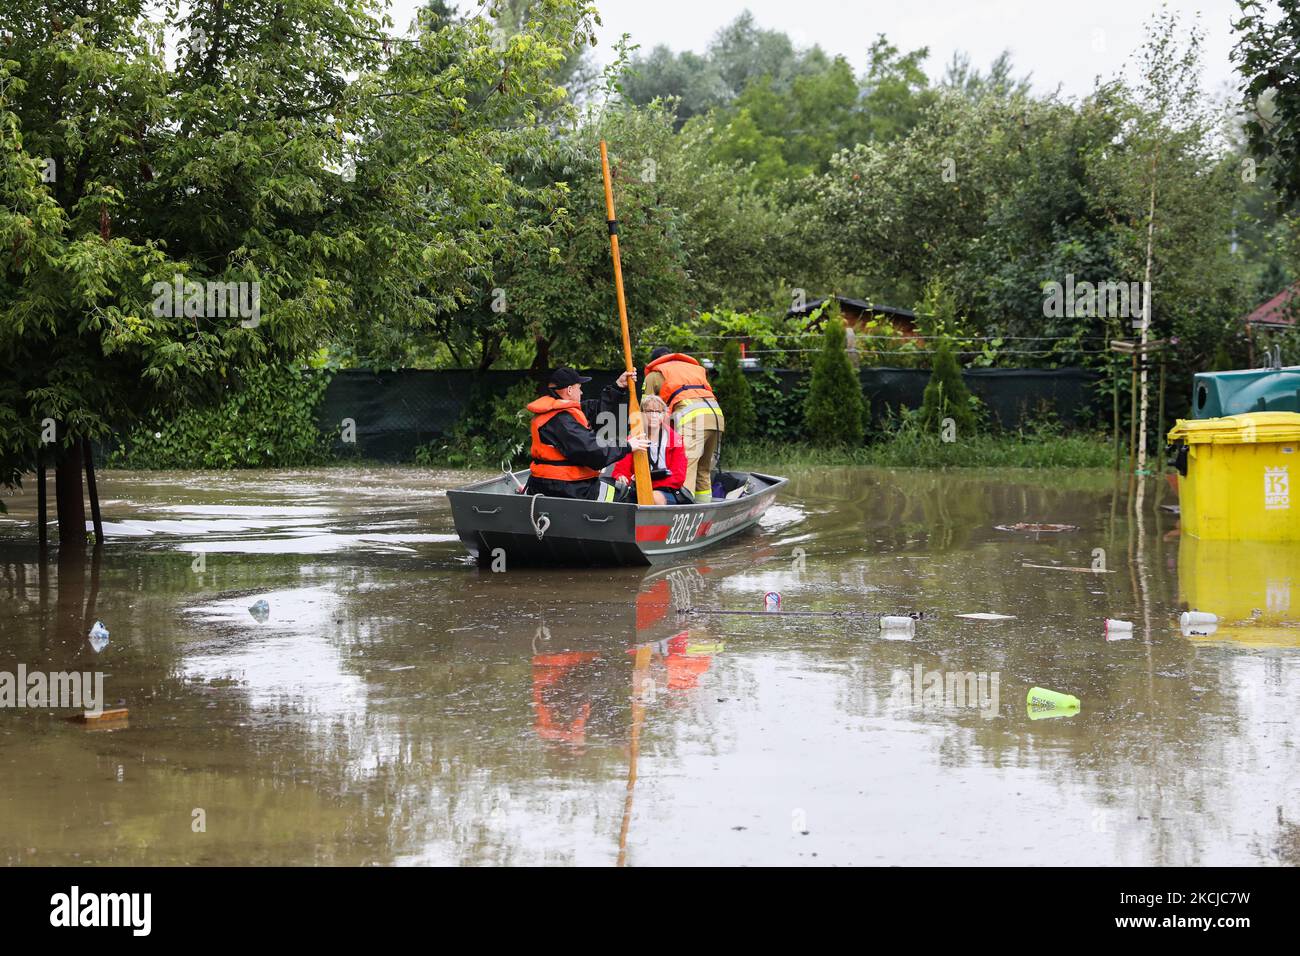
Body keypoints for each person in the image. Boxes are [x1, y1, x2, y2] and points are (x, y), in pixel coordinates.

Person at [525, 366, 649, 500]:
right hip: (564, 487)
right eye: (579, 387)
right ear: (570, 390)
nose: (582, 392)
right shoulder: (561, 420)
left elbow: (597, 411)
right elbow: (593, 451)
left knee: (615, 486)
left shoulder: (561, 412)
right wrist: (628, 446)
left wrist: (618, 386)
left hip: (561, 482)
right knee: (625, 495)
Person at [642, 347, 725, 502]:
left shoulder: (655, 374)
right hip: (716, 416)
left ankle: (684, 511)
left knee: (685, 468)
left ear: (653, 361)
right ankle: (704, 510)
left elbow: (645, 408)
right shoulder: (693, 369)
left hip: (692, 419)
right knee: (703, 469)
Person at [612, 394, 690, 505]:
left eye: (658, 412)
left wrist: (647, 482)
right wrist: (622, 477)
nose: (653, 415)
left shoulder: (675, 440)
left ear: (663, 415)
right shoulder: (633, 440)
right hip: (638, 489)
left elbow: (678, 476)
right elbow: (620, 470)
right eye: (649, 411)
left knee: (653, 497)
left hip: (666, 490)